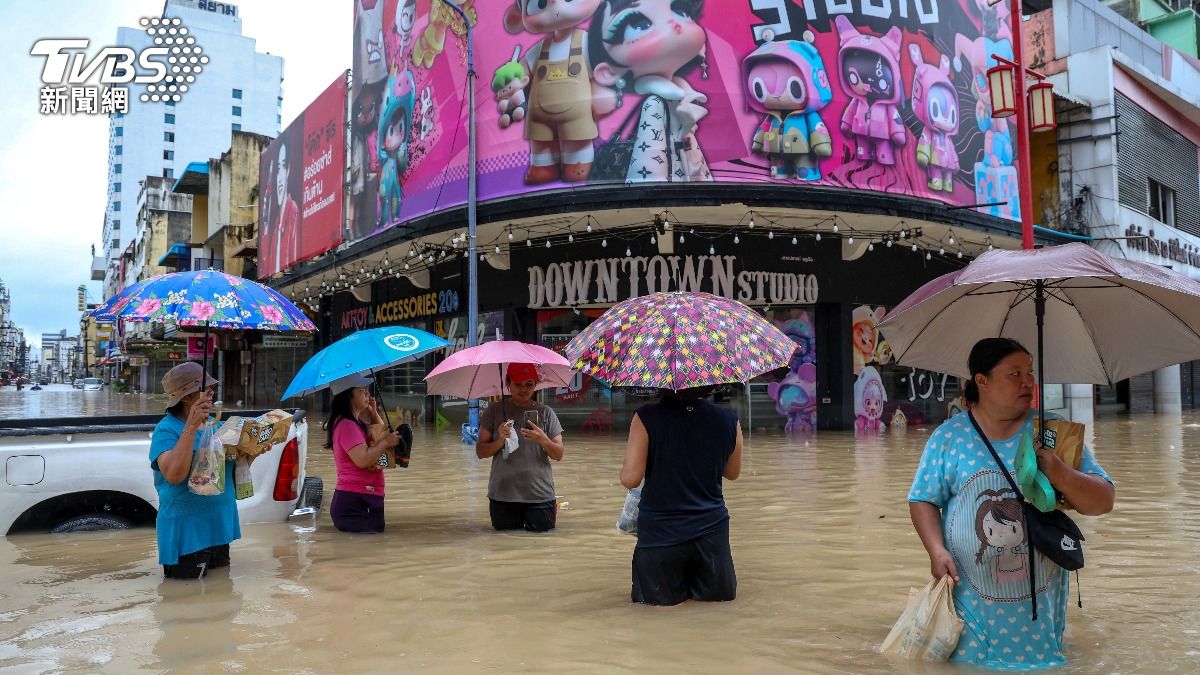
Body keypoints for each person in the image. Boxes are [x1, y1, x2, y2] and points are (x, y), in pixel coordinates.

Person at [908, 337, 1115, 669]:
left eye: (1030, 371)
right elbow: (922, 499)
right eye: (1014, 373)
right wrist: (936, 550)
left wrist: (1062, 474)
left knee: (1041, 665)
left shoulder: (1052, 435)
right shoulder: (949, 437)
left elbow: (1102, 501)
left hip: (1040, 608)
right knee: (972, 666)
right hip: (969, 603)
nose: (1028, 381)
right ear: (982, 381)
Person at [620, 386, 743, 606]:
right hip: (711, 534)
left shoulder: (645, 417)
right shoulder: (728, 419)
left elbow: (630, 479)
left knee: (658, 618)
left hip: (660, 535)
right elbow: (732, 473)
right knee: (713, 614)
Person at [587, 0, 713, 183]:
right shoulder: (655, 101)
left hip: (683, 183)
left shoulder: (680, 93)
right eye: (638, 24)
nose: (673, 23)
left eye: (680, 10)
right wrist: (651, 192)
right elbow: (647, 162)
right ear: (608, 72)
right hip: (665, 193)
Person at [150, 362, 239, 579]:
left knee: (221, 596)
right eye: (204, 387)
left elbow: (226, 476)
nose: (211, 391)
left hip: (219, 524)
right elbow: (173, 475)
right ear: (187, 397)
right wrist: (191, 427)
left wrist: (253, 452)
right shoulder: (166, 430)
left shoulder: (216, 426)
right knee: (186, 604)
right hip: (188, 530)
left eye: (211, 387)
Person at [475, 363, 565, 532]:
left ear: (535, 384)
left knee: (541, 545)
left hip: (539, 495)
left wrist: (543, 440)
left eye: (529, 384)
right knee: (504, 547)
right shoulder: (494, 411)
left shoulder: (546, 413)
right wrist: (500, 440)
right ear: (508, 383)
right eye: (518, 384)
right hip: (502, 495)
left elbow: (558, 454)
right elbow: (480, 451)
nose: (524, 389)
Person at [325, 374, 409, 533]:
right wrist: (385, 442)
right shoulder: (346, 426)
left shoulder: (356, 422)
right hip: (354, 502)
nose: (367, 394)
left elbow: (379, 434)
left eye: (366, 390)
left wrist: (373, 412)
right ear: (347, 395)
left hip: (363, 497)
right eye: (361, 391)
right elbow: (363, 459)